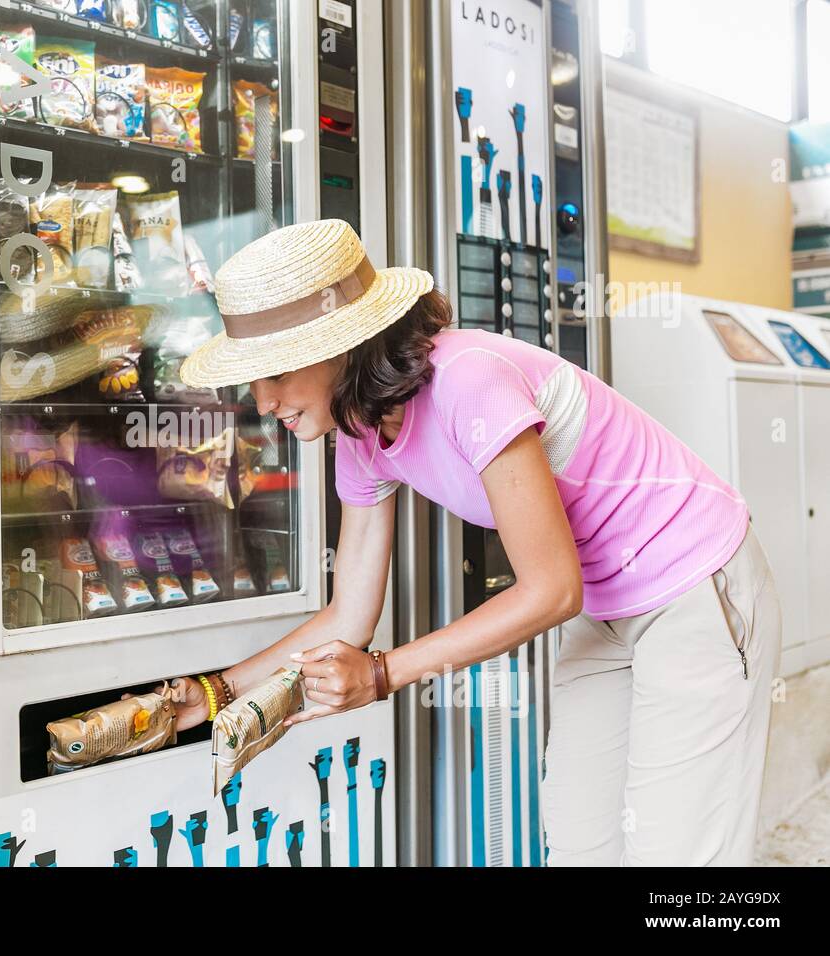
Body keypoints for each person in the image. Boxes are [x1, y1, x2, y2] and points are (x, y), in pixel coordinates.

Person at [163, 219, 780, 866]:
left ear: (343, 346)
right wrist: (216, 693)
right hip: (607, 612)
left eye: (277, 372)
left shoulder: (468, 380)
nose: (263, 401)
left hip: (695, 586)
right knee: (581, 845)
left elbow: (552, 590)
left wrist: (382, 674)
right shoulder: (361, 436)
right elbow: (349, 617)